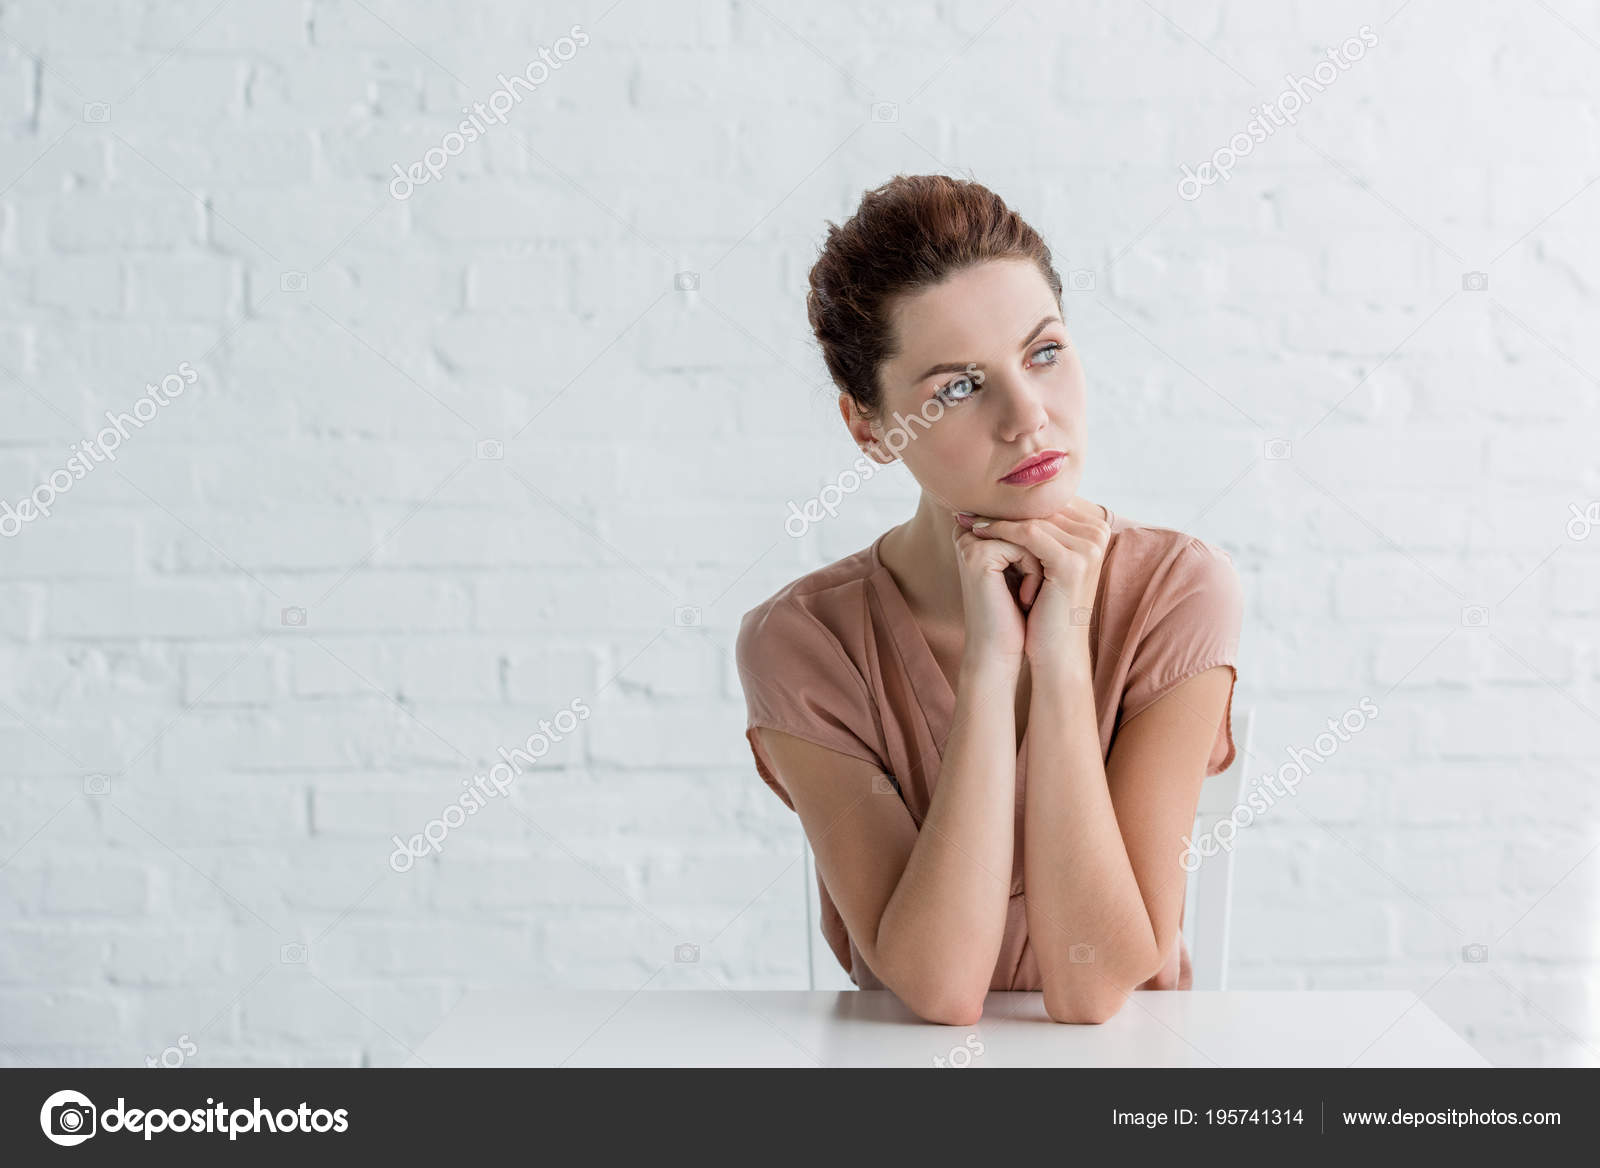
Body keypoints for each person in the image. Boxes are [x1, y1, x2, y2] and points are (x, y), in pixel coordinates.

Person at [736, 174, 1243, 1025]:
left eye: (1043, 353)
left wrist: (1062, 653)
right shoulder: (804, 642)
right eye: (958, 388)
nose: (1028, 417)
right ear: (868, 428)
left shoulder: (1175, 592)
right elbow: (938, 989)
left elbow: (1094, 988)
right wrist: (989, 663)